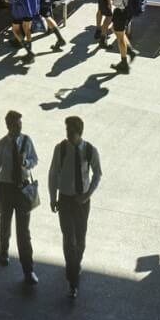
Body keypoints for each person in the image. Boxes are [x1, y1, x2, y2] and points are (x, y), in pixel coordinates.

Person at [48, 114, 102, 301]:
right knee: (68, 238)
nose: (68, 135)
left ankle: (75, 264)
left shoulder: (89, 150)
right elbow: (53, 174)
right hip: (65, 199)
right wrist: (52, 197)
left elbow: (97, 174)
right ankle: (72, 279)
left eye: (72, 132)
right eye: (67, 131)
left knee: (80, 237)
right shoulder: (60, 149)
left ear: (79, 133)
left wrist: (88, 194)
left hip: (82, 201)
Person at [0, 112, 38, 284]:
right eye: (16, 125)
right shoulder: (1, 145)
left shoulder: (26, 141)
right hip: (6, 189)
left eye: (20, 124)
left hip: (22, 188)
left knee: (23, 232)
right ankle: (4, 249)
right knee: (5, 221)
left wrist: (26, 163)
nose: (19, 127)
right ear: (8, 126)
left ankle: (28, 269)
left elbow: (34, 159)